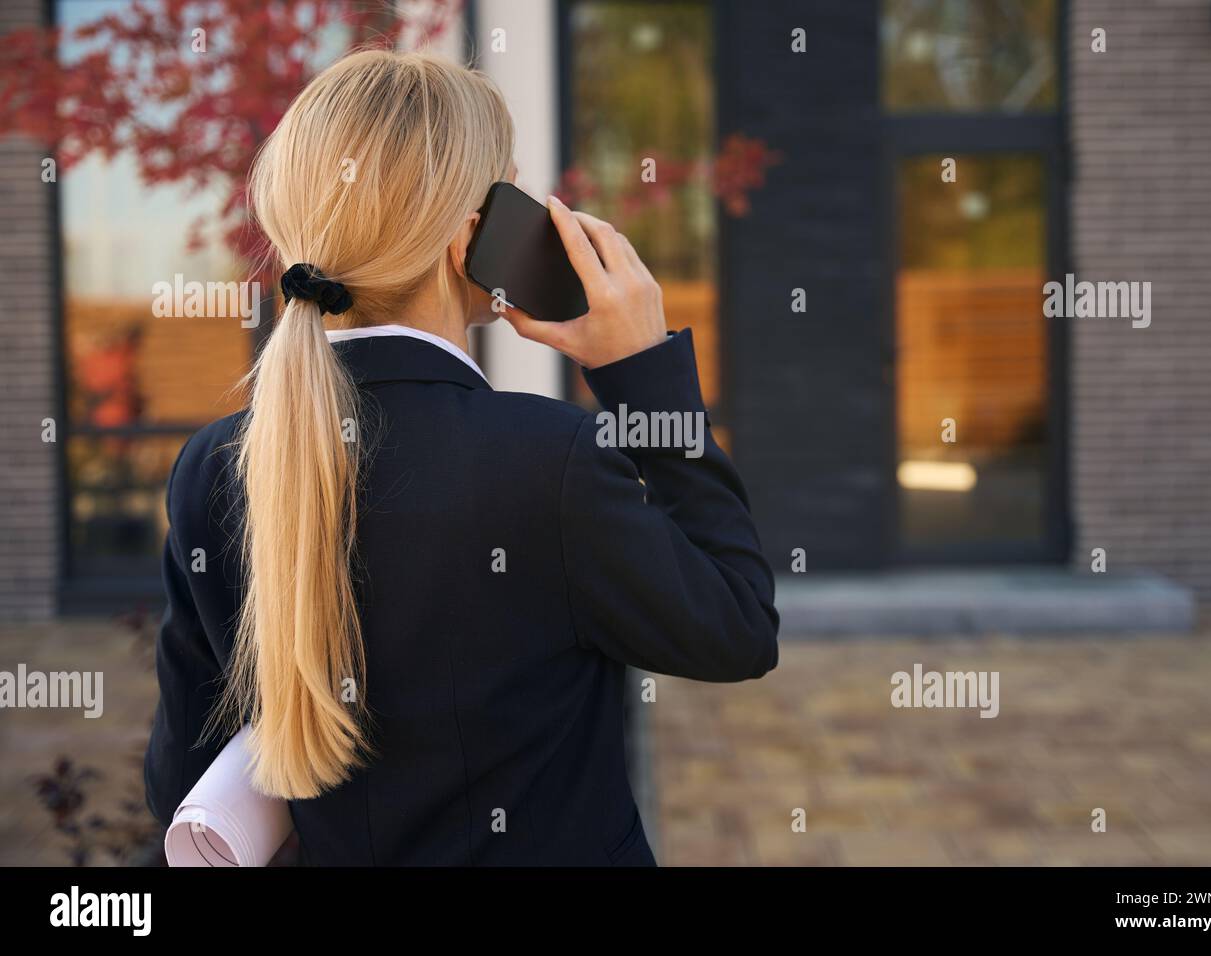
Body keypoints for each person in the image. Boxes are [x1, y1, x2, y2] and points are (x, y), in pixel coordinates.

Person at [144, 48, 778, 866]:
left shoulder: (212, 464)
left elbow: (181, 784)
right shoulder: (551, 460)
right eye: (511, 191)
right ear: (471, 240)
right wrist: (646, 378)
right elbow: (736, 630)